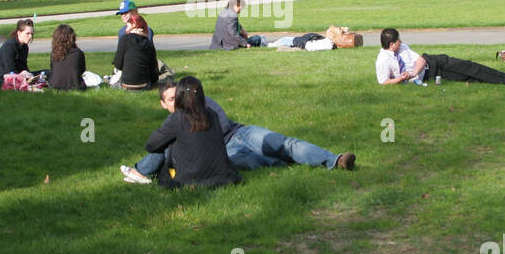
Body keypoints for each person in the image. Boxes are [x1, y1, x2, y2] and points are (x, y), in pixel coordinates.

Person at [121, 79, 355, 183]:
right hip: (223, 151)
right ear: (163, 104)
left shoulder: (202, 104)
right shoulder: (176, 121)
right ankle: (290, 165)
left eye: (178, 96)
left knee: (283, 143)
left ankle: (333, 160)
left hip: (238, 133)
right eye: (170, 100)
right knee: (257, 161)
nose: (176, 102)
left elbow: (219, 126)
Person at [140, 76, 241, 189]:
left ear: (179, 96)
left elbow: (151, 145)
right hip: (223, 177)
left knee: (165, 164)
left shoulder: (177, 118)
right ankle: (140, 170)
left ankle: (140, 170)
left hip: (190, 179)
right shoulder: (212, 114)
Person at [377, 28, 505, 86]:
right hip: (430, 76)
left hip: (432, 62)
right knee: (465, 77)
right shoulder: (383, 60)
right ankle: (501, 81)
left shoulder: (402, 47)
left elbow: (420, 60)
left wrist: (414, 73)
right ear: (391, 45)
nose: (401, 42)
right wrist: (401, 79)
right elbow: (383, 81)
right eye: (398, 41)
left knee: (467, 66)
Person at [113, 11, 159, 90]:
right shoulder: (148, 42)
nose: (126, 27)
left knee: (112, 84)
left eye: (128, 24)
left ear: (134, 25)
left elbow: (118, 65)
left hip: (126, 84)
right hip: (145, 84)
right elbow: (153, 68)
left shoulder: (124, 39)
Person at [0, 19, 35, 87]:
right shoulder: (9, 46)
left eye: (32, 34)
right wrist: (25, 76)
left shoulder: (25, 47)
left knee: (47, 73)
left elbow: (23, 66)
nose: (30, 36)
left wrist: (30, 76)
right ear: (19, 33)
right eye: (28, 33)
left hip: (19, 75)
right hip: (3, 78)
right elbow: (10, 70)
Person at [47, 24, 87, 89]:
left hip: (55, 85)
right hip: (76, 85)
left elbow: (52, 69)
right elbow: (82, 69)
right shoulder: (78, 53)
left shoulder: (54, 53)